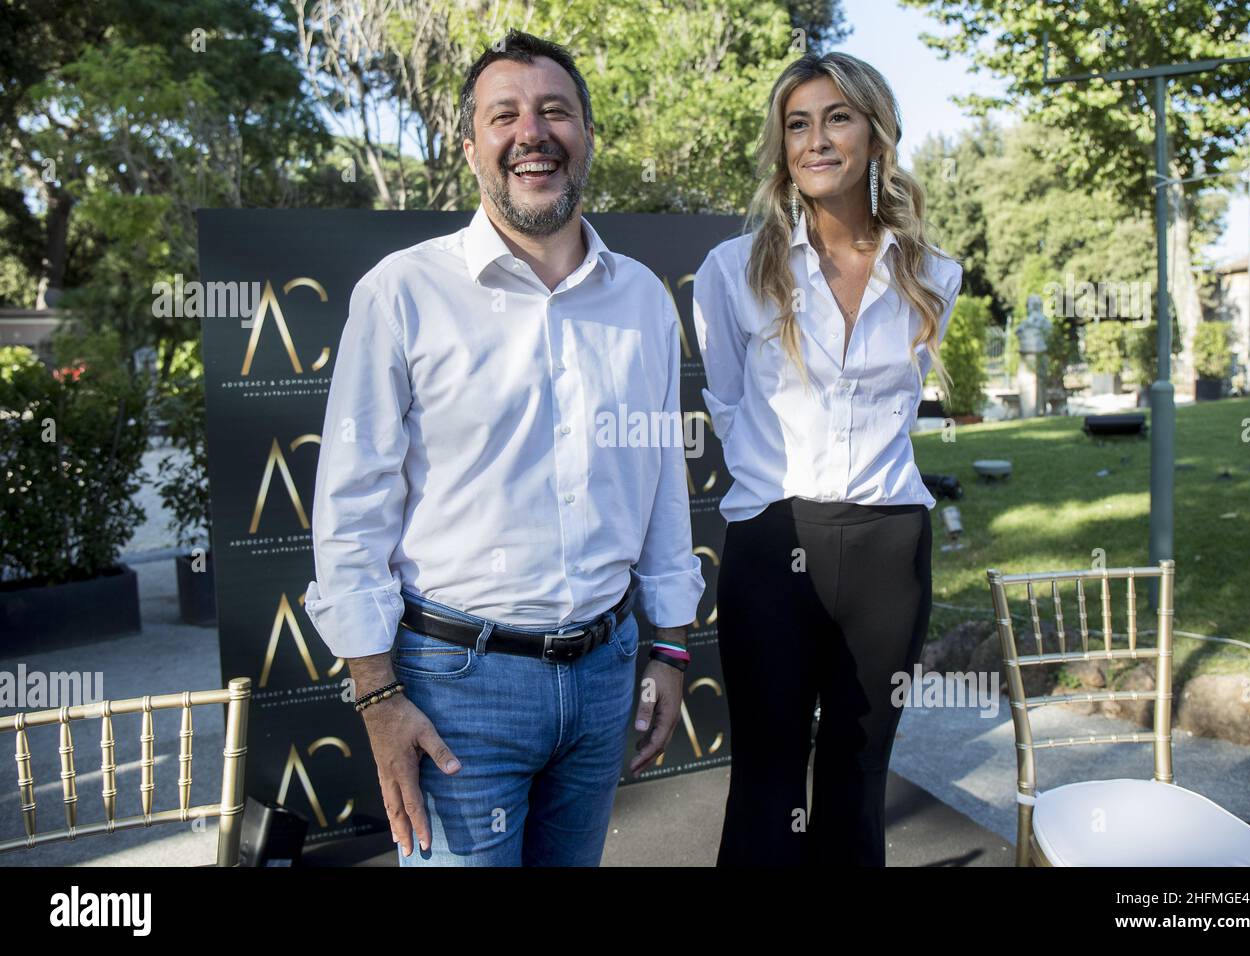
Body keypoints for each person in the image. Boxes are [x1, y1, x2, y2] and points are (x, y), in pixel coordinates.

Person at [304, 30, 704, 867]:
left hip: (606, 679)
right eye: (505, 115)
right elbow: (351, 507)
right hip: (454, 694)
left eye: (555, 110)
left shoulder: (643, 302)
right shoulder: (403, 293)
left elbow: (666, 489)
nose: (533, 132)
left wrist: (668, 649)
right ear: (471, 147)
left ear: (586, 136)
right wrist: (377, 696)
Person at [691, 51, 963, 866]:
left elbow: (902, 406)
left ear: (876, 136)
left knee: (857, 777)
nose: (815, 139)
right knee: (768, 782)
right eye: (797, 124)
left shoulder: (932, 276)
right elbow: (731, 406)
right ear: (782, 147)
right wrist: (780, 495)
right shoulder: (731, 272)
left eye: (837, 118)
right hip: (773, 544)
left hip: (890, 548)